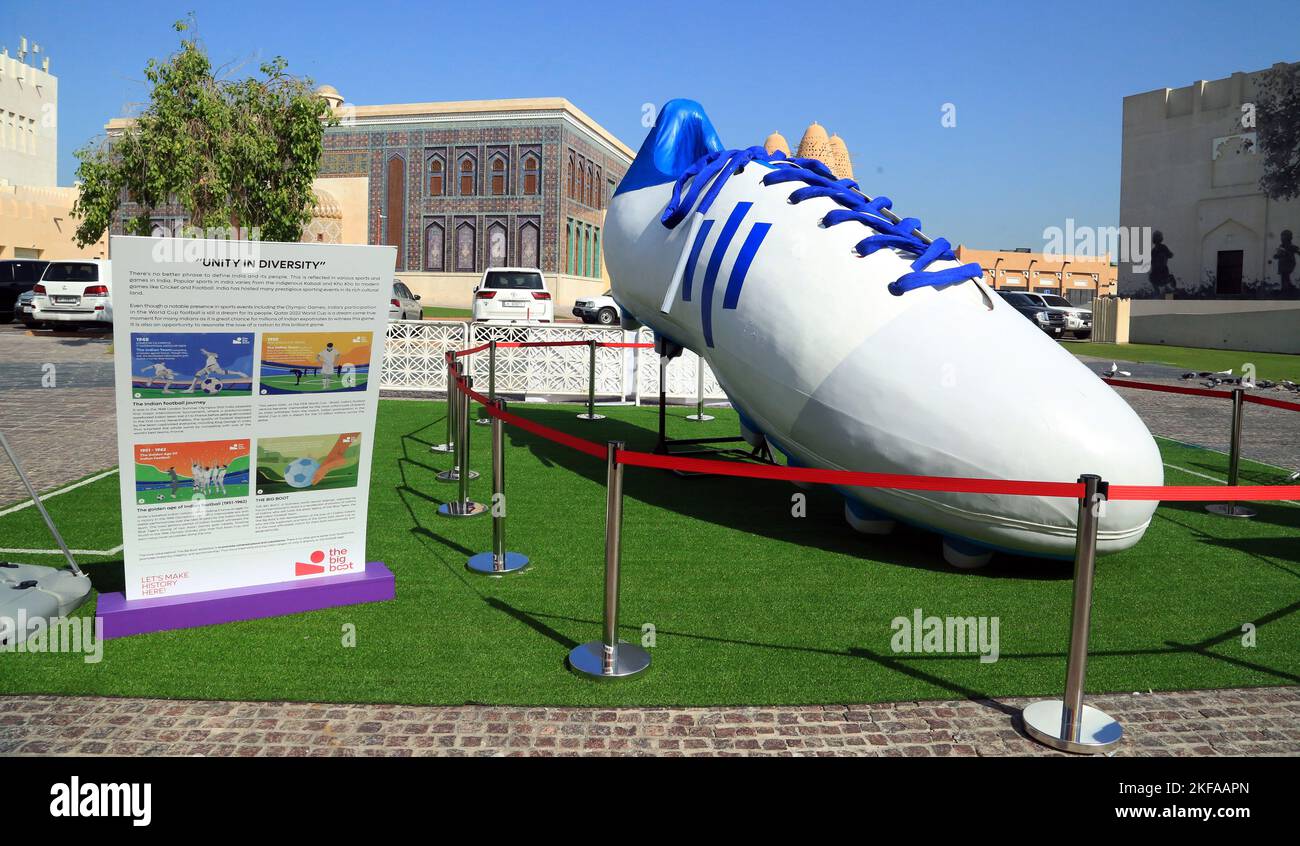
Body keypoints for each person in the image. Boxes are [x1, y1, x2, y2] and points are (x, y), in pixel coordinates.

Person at [182, 348, 250, 393]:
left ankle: (239, 373)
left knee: (223, 372)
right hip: (209, 367)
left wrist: (205, 351)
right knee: (198, 374)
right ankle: (191, 389)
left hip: (214, 366)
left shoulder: (213, 355)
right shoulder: (208, 359)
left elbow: (211, 354)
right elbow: (206, 366)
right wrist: (206, 373)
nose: (205, 354)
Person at [1149, 230, 1174, 295]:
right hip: (1163, 273)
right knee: (1170, 289)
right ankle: (1167, 294)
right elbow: (1170, 255)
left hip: (1155, 275)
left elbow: (1152, 263)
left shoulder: (1153, 251)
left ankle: (1159, 292)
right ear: (1161, 238)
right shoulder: (1163, 247)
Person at [1275, 230, 1298, 295]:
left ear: (1288, 238)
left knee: (1284, 276)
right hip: (1283, 264)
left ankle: (1285, 289)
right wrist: (1277, 255)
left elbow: (1296, 250)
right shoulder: (1282, 246)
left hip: (1288, 263)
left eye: (1283, 237)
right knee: (1285, 276)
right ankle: (1289, 288)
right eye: (1281, 236)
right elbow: (1278, 254)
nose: (1281, 238)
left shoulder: (1290, 246)